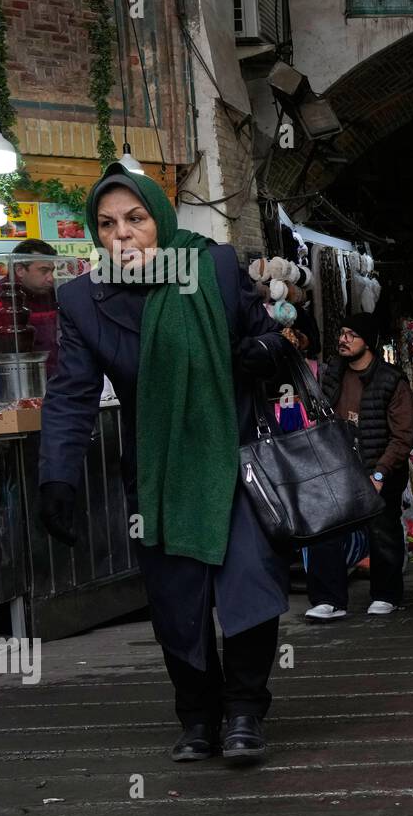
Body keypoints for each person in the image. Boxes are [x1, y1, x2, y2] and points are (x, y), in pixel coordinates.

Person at [38, 162, 290, 763]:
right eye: (106, 224)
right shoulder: (84, 300)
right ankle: (198, 716)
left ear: (161, 218)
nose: (120, 235)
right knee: (177, 600)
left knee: (248, 584)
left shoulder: (218, 267)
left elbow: (275, 341)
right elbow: (72, 395)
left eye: (135, 219)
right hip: (157, 471)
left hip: (234, 462)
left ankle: (246, 713)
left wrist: (260, 350)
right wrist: (57, 475)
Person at [304, 313, 413, 620]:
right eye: (341, 333)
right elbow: (320, 420)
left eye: (351, 334)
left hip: (380, 468)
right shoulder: (332, 374)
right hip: (338, 466)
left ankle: (386, 594)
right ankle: (329, 599)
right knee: (325, 531)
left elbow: (403, 435)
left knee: (382, 531)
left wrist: (379, 473)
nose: (343, 339)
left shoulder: (391, 379)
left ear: (368, 341)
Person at [0, 238, 61, 388]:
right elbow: (13, 331)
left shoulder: (50, 295)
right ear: (20, 270)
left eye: (52, 271)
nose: (50, 278)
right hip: (7, 384)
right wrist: (60, 315)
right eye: (44, 271)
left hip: (53, 383)